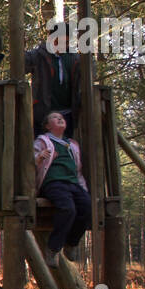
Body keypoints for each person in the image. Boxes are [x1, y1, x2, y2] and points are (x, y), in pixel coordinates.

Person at [34, 111, 91, 267]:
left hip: (72, 183)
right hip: (53, 182)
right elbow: (31, 158)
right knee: (67, 209)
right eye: (54, 117)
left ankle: (71, 243)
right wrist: (39, 157)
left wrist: (83, 188)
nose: (59, 118)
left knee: (87, 206)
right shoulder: (43, 141)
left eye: (61, 117)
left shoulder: (71, 144)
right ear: (47, 125)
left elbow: (77, 169)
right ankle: (53, 248)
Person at [27, 20, 82, 137]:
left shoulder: (74, 58)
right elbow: (21, 63)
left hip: (67, 114)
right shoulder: (39, 55)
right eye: (58, 41)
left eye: (66, 42)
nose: (62, 45)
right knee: (43, 147)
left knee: (65, 147)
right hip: (43, 114)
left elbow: (89, 73)